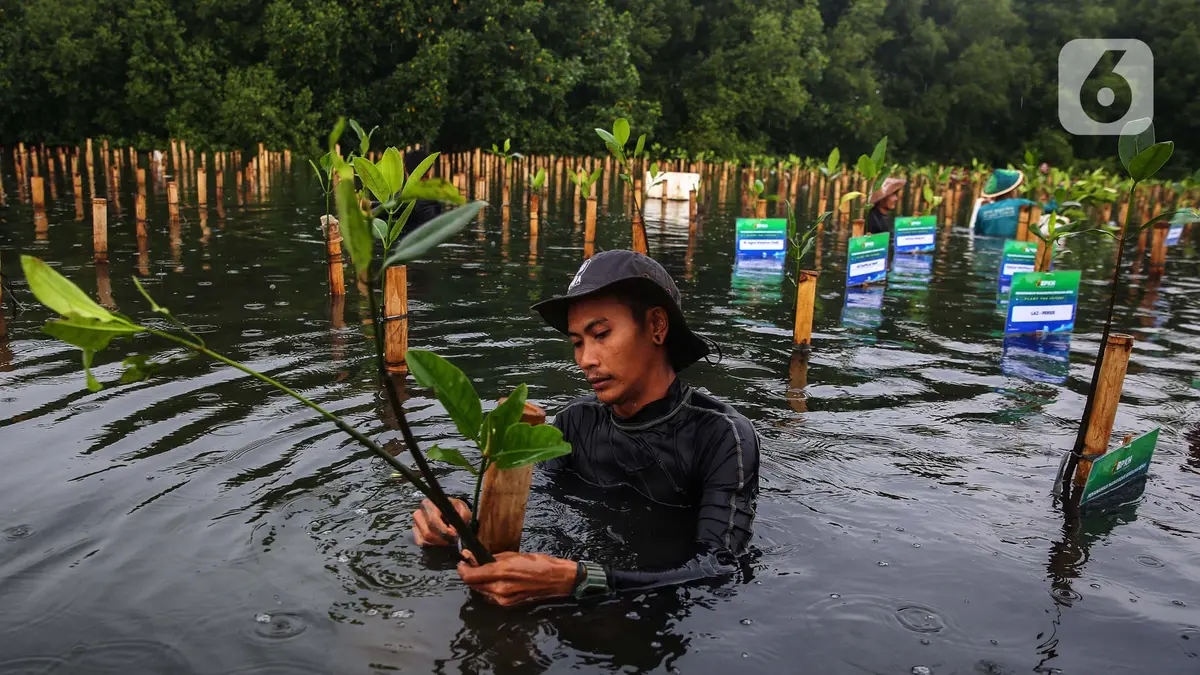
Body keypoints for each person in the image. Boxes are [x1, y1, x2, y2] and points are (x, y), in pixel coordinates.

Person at [412, 250, 761, 606]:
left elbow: (720, 566)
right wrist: (463, 521)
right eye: (577, 342)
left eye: (602, 334)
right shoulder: (575, 421)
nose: (585, 360)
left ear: (657, 326)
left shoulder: (723, 436)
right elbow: (537, 504)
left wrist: (580, 581)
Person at [973, 169, 1038, 238]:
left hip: (984, 246)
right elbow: (1046, 208)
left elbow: (976, 234)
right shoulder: (1019, 204)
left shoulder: (982, 210)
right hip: (1010, 247)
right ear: (1012, 191)